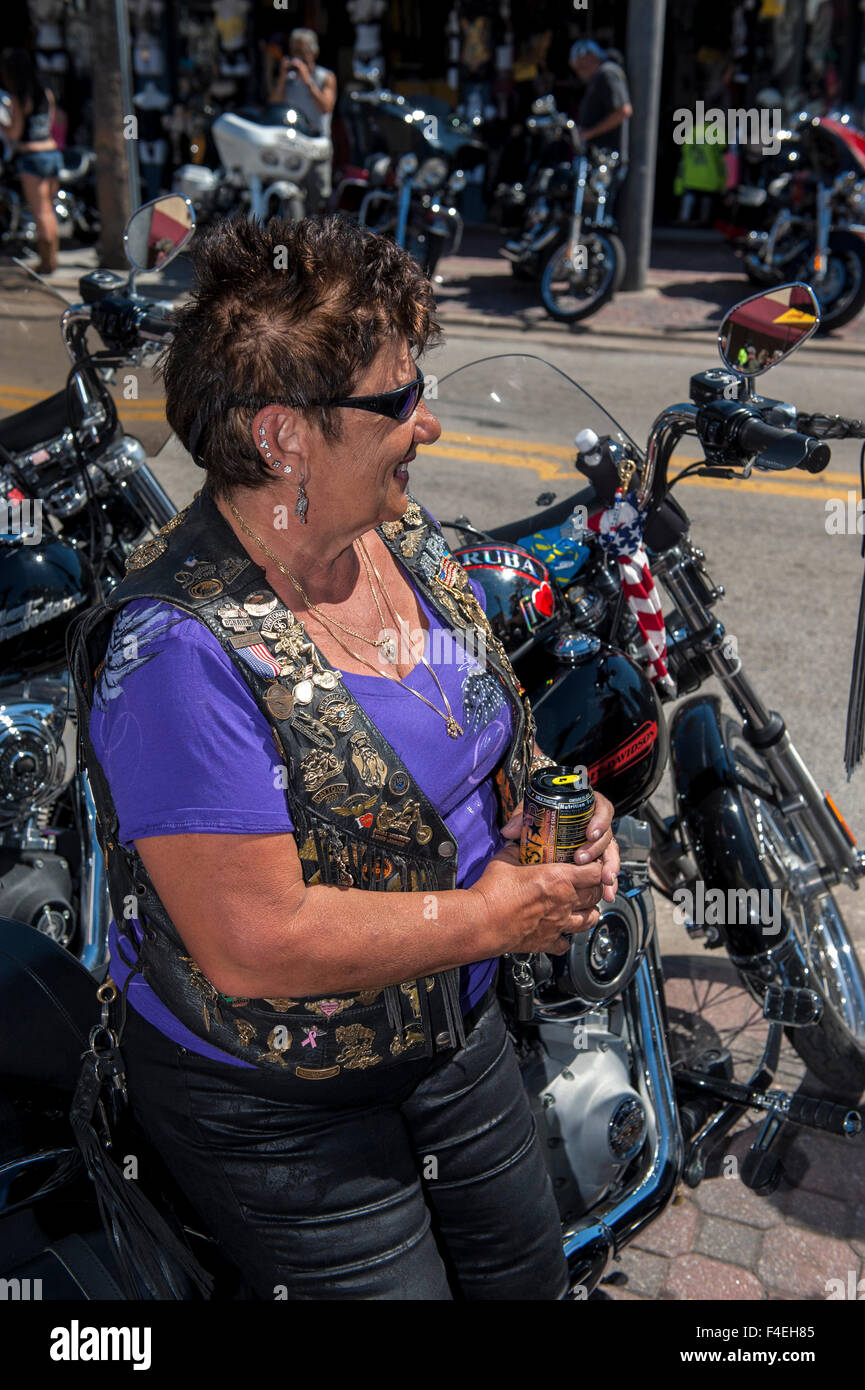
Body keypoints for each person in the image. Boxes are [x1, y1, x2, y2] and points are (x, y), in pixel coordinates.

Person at [69, 215, 620, 1301]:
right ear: (282, 436)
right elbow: (256, 943)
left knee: (526, 1282)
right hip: (283, 1101)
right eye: (398, 399)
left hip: (454, 1033)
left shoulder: (394, 538)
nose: (431, 426)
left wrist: (543, 813)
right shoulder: (179, 649)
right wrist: (496, 917)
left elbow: (477, 730)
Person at [0, 48, 62, 274]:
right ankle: (52, 258)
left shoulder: (19, 98)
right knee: (49, 210)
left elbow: (15, 133)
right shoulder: (46, 94)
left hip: (32, 155)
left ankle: (47, 262)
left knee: (41, 212)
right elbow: (50, 123)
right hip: (52, 152)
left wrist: (3, 126)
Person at [268, 27, 336, 214]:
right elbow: (274, 103)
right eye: (294, 52)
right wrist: (282, 76)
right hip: (292, 145)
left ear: (314, 52)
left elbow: (326, 106)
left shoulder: (325, 77)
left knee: (318, 199)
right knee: (291, 197)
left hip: (317, 145)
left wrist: (307, 80)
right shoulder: (289, 79)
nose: (297, 57)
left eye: (302, 52)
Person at [570, 38, 632, 211]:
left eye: (580, 66)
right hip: (598, 158)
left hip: (607, 160)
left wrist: (589, 133)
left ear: (589, 57)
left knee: (600, 212)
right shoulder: (599, 77)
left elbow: (623, 111)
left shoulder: (607, 73)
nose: (579, 72)